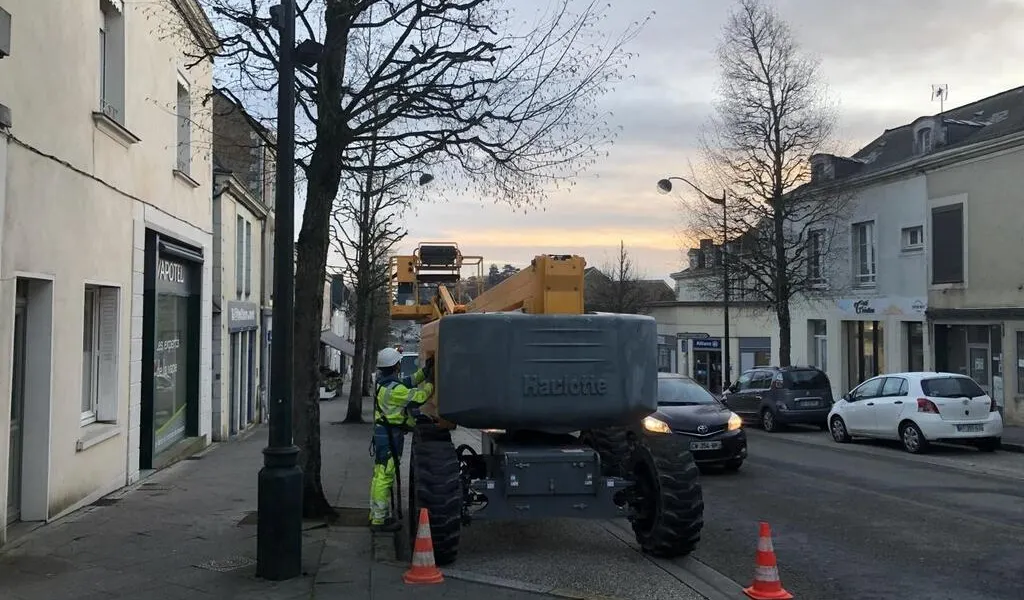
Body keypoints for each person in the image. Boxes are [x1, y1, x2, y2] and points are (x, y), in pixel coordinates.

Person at [368, 347, 435, 531]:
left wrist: (424, 371)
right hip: (390, 435)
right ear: (396, 365)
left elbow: (408, 382)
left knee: (379, 475)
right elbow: (419, 397)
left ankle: (375, 515)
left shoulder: (385, 384)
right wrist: (430, 382)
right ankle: (379, 521)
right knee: (385, 477)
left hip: (383, 434)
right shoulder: (395, 389)